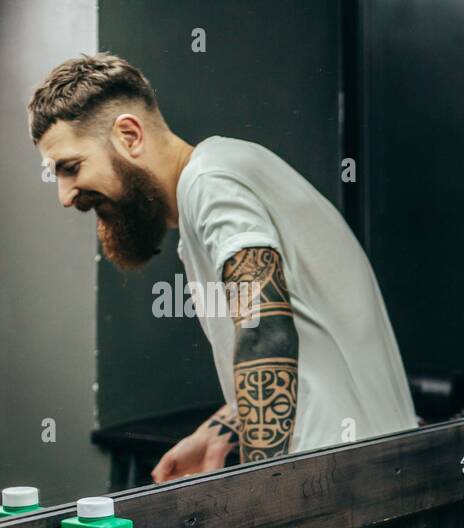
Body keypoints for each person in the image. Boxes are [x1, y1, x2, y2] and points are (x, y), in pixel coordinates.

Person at [29, 54, 418, 480]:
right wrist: (222, 427)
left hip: (334, 483)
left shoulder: (209, 183)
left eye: (71, 167)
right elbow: (289, 324)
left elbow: (264, 329)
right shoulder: (221, 176)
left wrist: (258, 491)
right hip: (368, 471)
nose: (64, 196)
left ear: (128, 134)